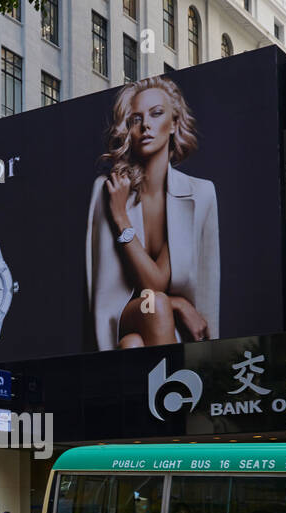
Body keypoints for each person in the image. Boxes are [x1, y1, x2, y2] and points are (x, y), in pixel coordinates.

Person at [86, 75, 219, 350]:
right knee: (154, 303)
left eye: (156, 114)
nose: (146, 125)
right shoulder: (109, 190)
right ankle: (176, 391)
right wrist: (120, 215)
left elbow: (158, 280)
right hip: (120, 315)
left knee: (134, 345)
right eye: (136, 119)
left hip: (159, 325)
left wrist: (181, 305)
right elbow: (110, 290)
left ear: (174, 123)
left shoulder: (200, 194)